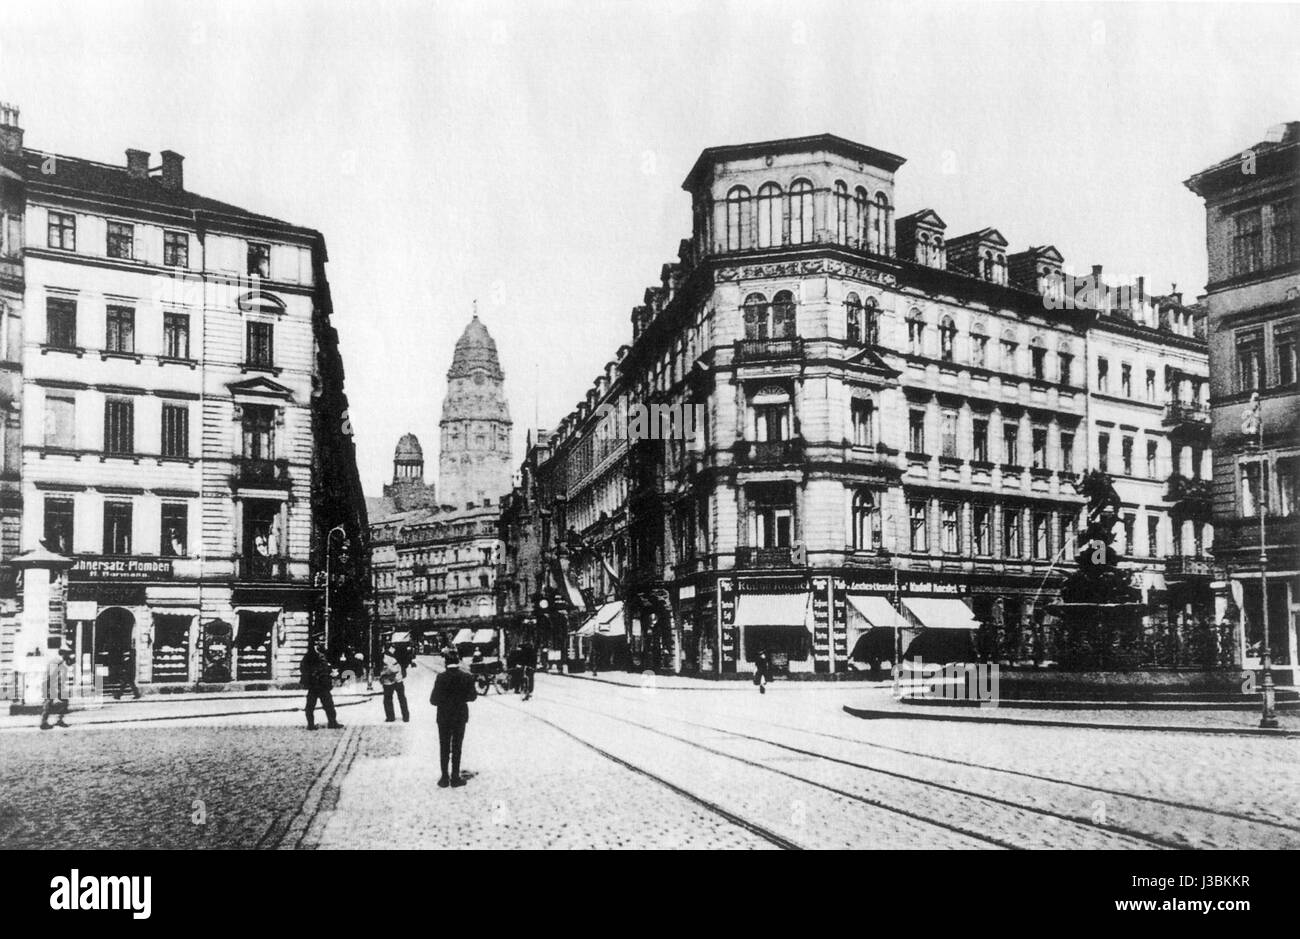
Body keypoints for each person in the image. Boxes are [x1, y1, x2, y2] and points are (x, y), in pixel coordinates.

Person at [430, 651, 477, 788]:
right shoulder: (466, 677)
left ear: (446, 663)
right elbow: (472, 697)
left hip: (444, 717)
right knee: (457, 747)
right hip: (460, 716)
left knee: (444, 747)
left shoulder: (441, 677)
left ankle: (444, 778)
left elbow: (433, 700)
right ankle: (455, 777)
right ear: (458, 662)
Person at [300, 638, 343, 730]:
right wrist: (311, 675)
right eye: (321, 642)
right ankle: (310, 725)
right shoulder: (310, 655)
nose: (323, 643)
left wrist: (331, 672)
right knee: (310, 705)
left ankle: (332, 722)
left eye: (323, 642)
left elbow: (328, 666)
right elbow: (303, 668)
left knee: (329, 705)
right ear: (317, 643)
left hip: (324, 685)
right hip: (314, 685)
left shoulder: (325, 654)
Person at [40, 645, 74, 730]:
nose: (69, 655)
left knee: (64, 701)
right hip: (51, 686)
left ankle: (59, 720)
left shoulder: (60, 661)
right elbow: (51, 676)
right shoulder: (56, 662)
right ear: (63, 653)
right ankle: (43, 723)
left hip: (55, 686)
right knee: (48, 704)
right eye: (67, 653)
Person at [379, 644, 409, 723]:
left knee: (388, 699)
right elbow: (404, 663)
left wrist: (381, 676)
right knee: (402, 697)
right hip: (398, 678)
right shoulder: (399, 652)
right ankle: (406, 716)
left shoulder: (383, 655)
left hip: (388, 680)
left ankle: (390, 717)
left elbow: (381, 667)